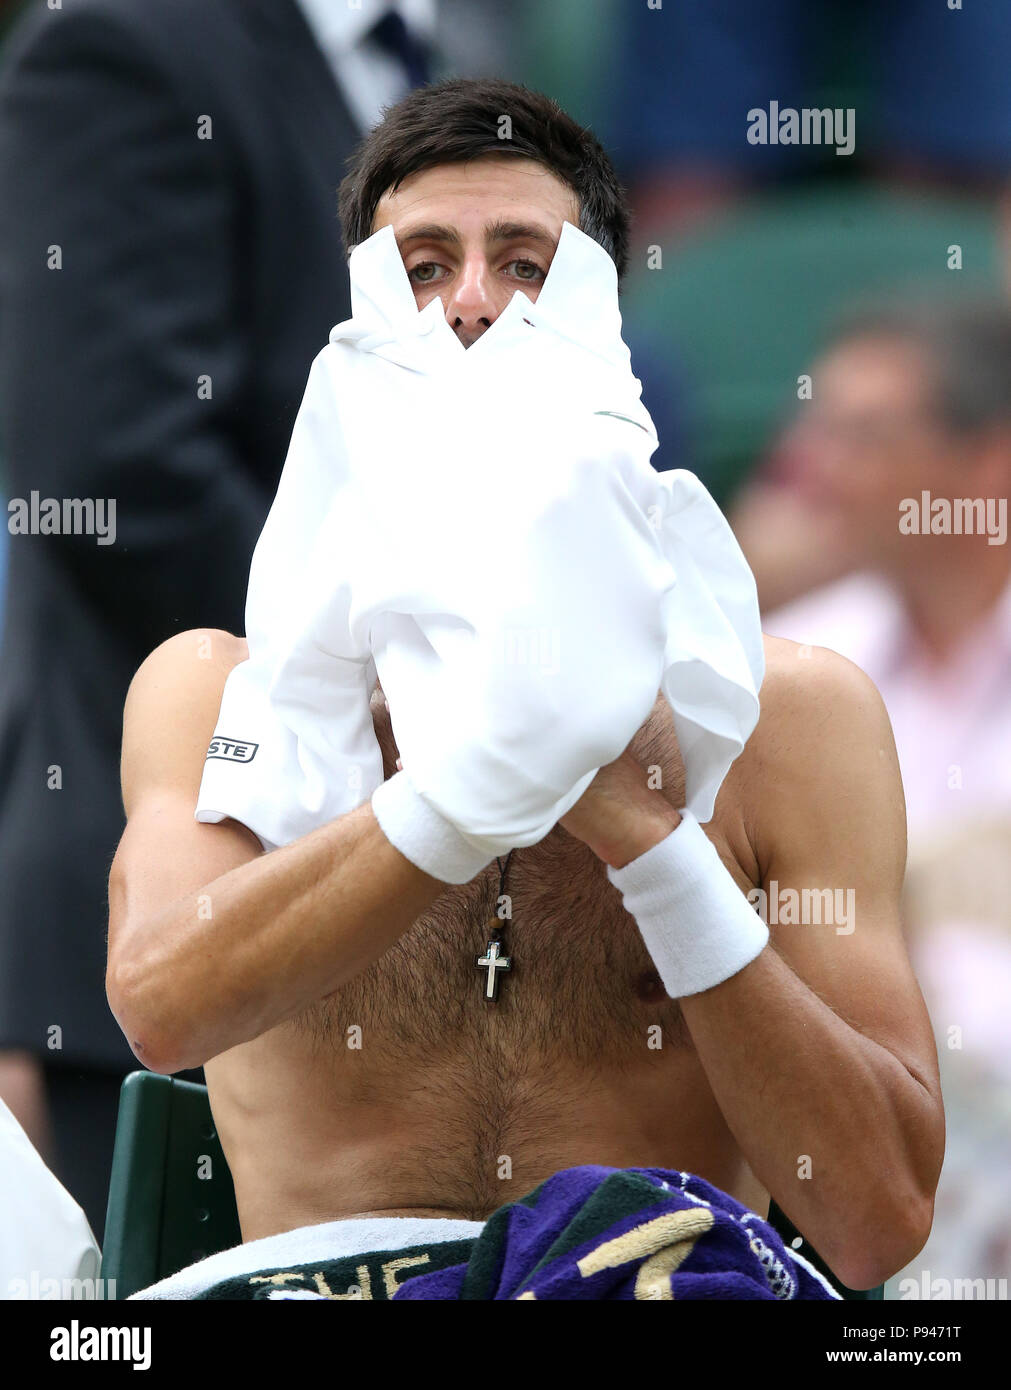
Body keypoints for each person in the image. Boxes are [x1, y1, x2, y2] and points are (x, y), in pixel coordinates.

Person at [108, 79, 943, 1300]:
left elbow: (874, 1220)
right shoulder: (212, 689)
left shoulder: (795, 717)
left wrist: (645, 835)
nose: (473, 303)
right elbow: (164, 1009)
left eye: (527, 262)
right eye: (425, 264)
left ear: (604, 315)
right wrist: (467, 794)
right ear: (363, 315)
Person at [0, 0, 432, 1242]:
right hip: (176, 904)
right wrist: (423, 676)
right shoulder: (124, 43)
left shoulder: (449, 71)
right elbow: (109, 475)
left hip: (436, 963)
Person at [760, 300, 1011, 1293]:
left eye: (862, 434)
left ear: (990, 463)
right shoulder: (801, 661)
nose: (811, 465)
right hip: (879, 1162)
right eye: (815, 425)